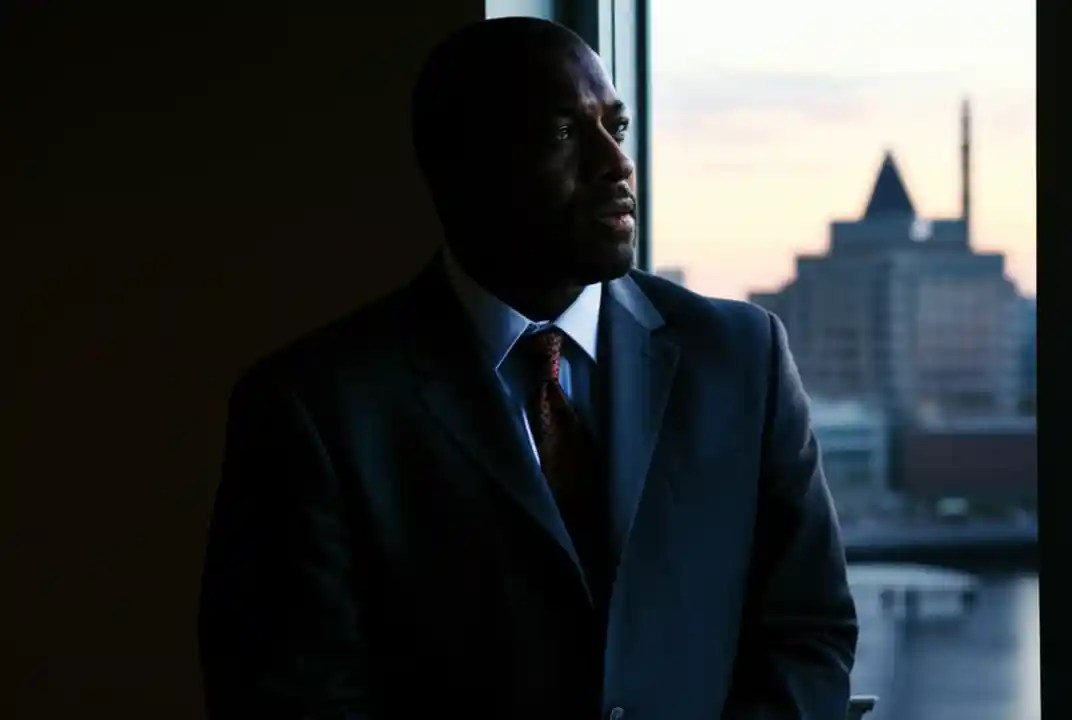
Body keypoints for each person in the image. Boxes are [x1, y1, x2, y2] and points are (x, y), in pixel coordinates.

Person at [197, 16, 857, 719]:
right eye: (565, 133)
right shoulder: (317, 407)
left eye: (617, 127)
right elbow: (293, 692)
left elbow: (807, 629)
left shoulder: (740, 356)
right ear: (458, 170)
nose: (616, 164)